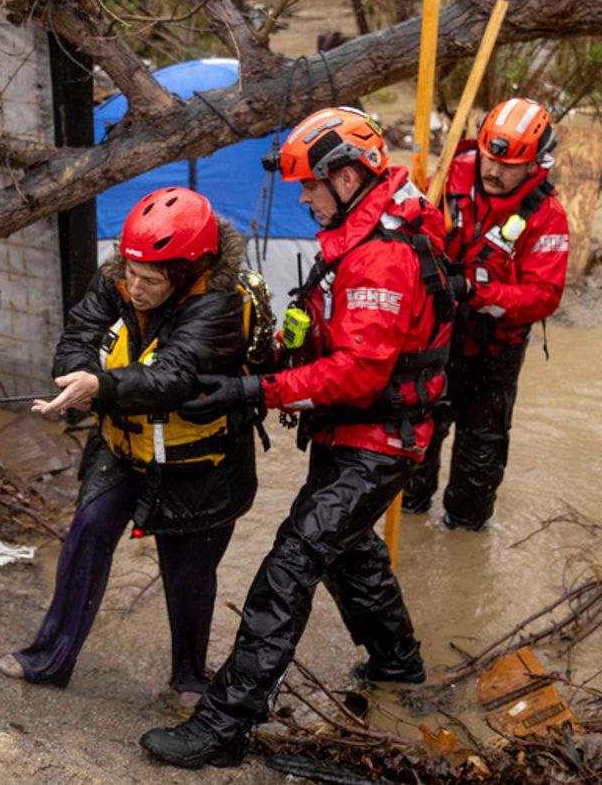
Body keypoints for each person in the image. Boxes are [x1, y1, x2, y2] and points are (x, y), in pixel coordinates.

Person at [139, 107, 452, 769]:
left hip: (380, 440)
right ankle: (400, 665)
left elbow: (361, 372)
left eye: (310, 186)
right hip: (358, 432)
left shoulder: (382, 256)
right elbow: (338, 343)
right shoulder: (363, 235)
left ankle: (226, 722)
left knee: (293, 562)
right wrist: (274, 351)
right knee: (349, 550)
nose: (304, 199)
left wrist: (255, 391)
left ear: (346, 177)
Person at [0, 186, 261, 707]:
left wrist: (99, 388)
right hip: (123, 445)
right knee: (88, 532)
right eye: (130, 274)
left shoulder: (220, 306)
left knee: (189, 572)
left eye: (150, 281)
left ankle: (188, 676)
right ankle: (50, 656)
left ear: (185, 274)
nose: (133, 288)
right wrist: (74, 375)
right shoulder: (122, 272)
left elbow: (174, 376)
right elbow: (80, 331)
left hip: (199, 462)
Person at [400, 97, 569, 530]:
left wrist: (479, 291)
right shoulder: (451, 176)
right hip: (436, 335)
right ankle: (409, 516)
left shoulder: (547, 217)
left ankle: (465, 527)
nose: (493, 171)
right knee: (416, 435)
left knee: (481, 450)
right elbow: (412, 228)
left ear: (535, 166)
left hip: (496, 348)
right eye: (491, 159)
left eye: (508, 165)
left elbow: (544, 295)